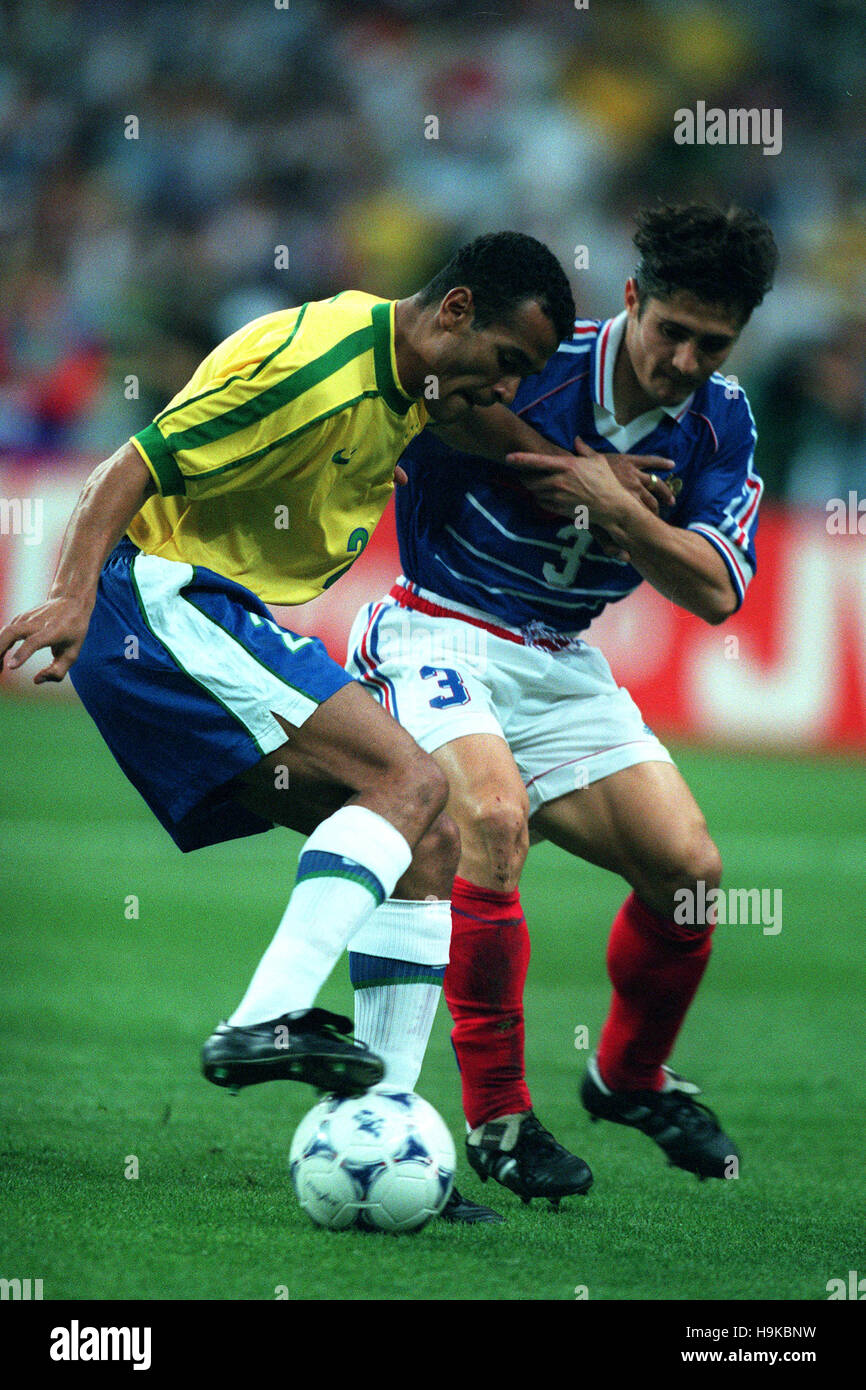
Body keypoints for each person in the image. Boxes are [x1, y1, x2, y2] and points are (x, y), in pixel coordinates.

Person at [0, 232, 576, 1220]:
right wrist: (69, 596)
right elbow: (127, 466)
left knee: (426, 845)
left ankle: (384, 1122)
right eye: (507, 362)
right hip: (160, 601)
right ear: (453, 312)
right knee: (412, 783)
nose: (509, 388)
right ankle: (263, 1016)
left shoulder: (407, 377)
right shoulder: (313, 368)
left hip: (209, 610)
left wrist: (581, 474)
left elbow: (469, 422)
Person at [345, 204, 779, 1209]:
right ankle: (497, 1120)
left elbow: (715, 589)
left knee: (691, 874)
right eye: (667, 329)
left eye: (708, 344)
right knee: (491, 822)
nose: (679, 359)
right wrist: (551, 467)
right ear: (629, 299)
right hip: (440, 624)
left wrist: (615, 504)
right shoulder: (534, 360)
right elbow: (431, 397)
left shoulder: (724, 420)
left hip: (559, 659)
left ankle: (627, 1077)